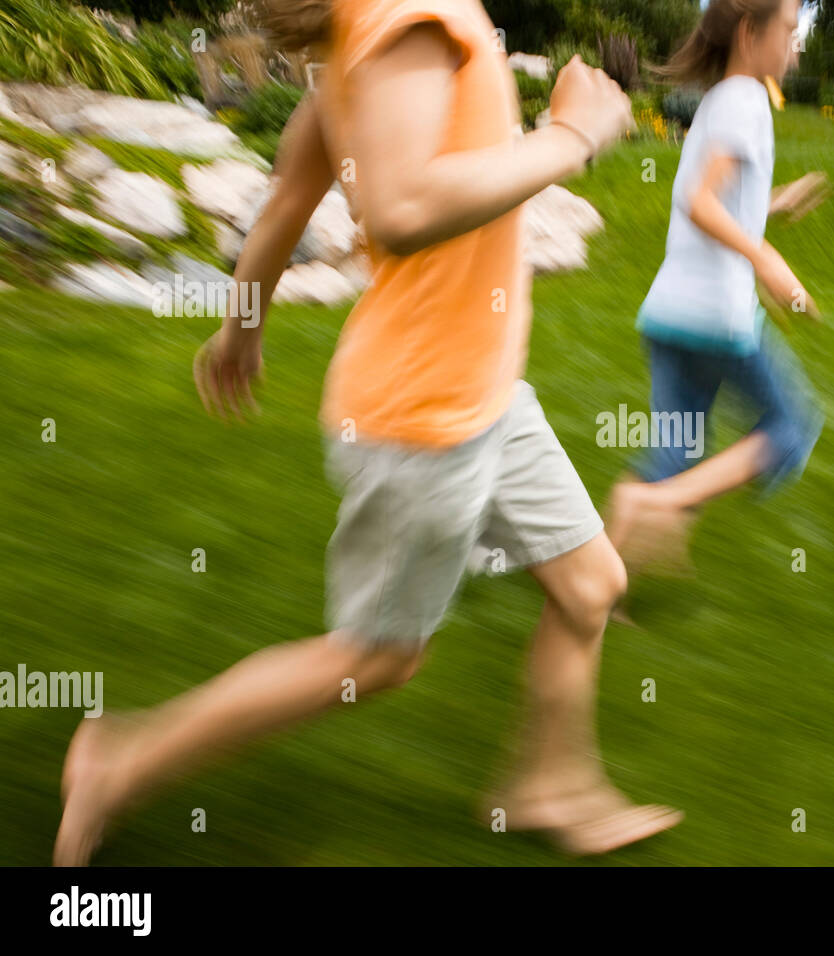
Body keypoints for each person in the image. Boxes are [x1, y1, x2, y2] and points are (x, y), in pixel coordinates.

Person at [54, 0, 683, 866]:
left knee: (588, 586)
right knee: (377, 658)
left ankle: (550, 783)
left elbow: (287, 196)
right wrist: (571, 137)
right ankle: (120, 757)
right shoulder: (407, 13)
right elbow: (400, 206)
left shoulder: (366, 26)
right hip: (425, 416)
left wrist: (242, 324)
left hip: (487, 389)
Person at [605, 0, 823, 565]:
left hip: (670, 313)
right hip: (717, 318)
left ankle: (596, 591)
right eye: (789, 32)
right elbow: (699, 202)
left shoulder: (718, 103)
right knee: (791, 428)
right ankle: (661, 503)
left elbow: (715, 202)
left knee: (672, 452)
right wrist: (766, 257)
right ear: (751, 34)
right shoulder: (747, 102)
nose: (796, 45)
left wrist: (768, 205)